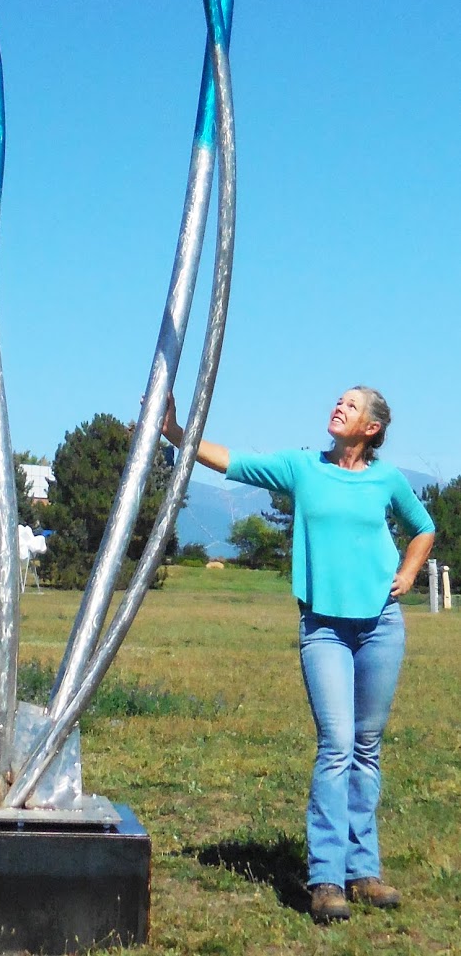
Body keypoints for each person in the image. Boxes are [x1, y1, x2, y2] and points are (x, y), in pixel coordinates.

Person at [162, 386, 435, 924]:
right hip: (325, 629)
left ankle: (365, 871)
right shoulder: (302, 468)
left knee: (367, 746)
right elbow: (233, 462)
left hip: (382, 626)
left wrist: (407, 572)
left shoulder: (387, 479)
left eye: (351, 405)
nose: (339, 406)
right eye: (340, 400)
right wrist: (175, 433)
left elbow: (423, 528)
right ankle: (327, 878)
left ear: (371, 428)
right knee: (337, 745)